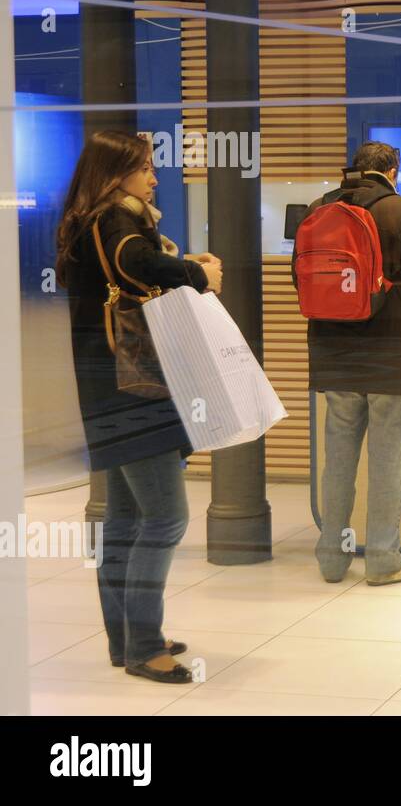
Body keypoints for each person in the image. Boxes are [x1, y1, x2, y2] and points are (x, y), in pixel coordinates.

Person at [56, 130, 223, 684]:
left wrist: (176, 260)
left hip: (104, 389)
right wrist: (199, 275)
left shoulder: (84, 221)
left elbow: (132, 268)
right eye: (145, 168)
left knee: (125, 520)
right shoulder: (115, 220)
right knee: (166, 517)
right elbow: (137, 266)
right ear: (115, 172)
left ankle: (126, 637)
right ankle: (146, 648)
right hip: (137, 390)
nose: (154, 177)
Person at [302, 141, 401, 585]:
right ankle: (383, 559)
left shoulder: (318, 208)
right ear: (393, 169)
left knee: (338, 460)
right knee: (387, 459)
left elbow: (300, 277)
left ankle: (331, 557)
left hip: (333, 351)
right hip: (389, 352)